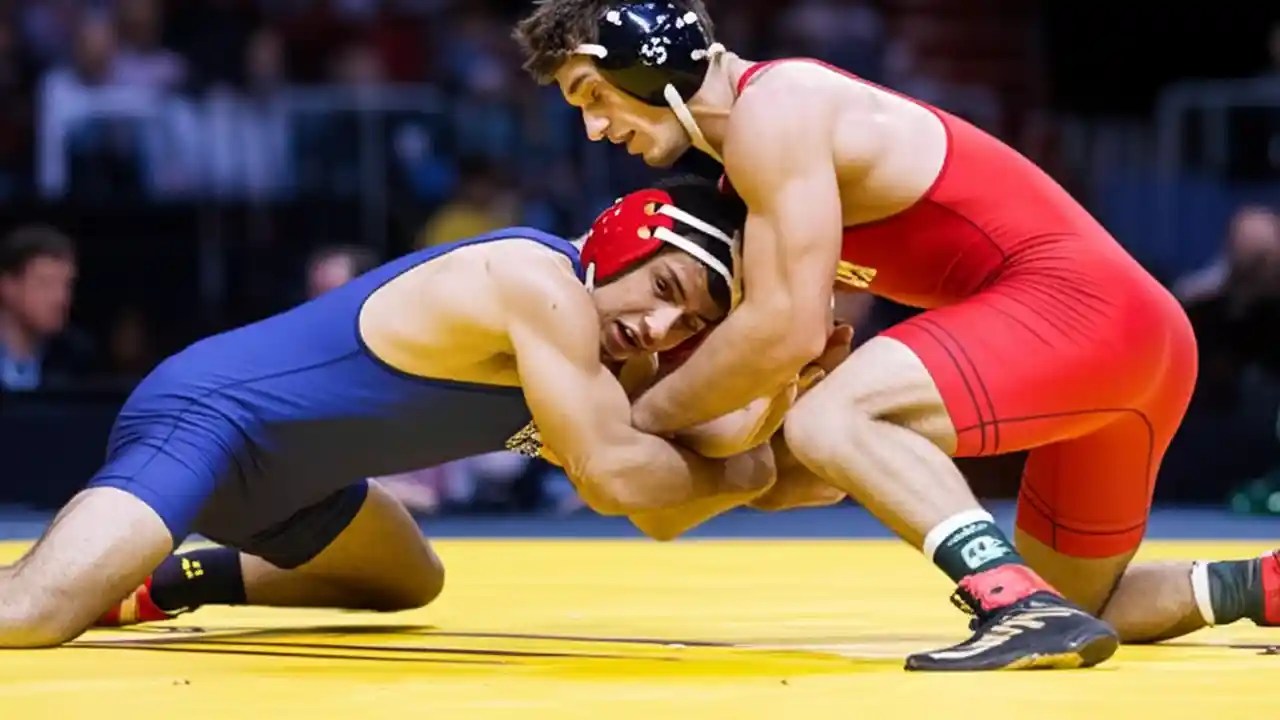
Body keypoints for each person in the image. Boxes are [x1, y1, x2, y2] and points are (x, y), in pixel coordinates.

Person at [515, 0, 1279, 670]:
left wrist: (623, 427)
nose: (593, 126)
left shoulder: (774, 111)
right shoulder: (757, 174)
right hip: (1131, 340)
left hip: (1081, 312)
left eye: (593, 93)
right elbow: (800, 401)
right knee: (1089, 604)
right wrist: (722, 451)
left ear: (652, 59)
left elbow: (784, 334)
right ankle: (1262, 585)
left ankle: (1010, 605)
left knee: (834, 419)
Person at [0, 176, 784, 646]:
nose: (659, 329)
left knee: (410, 580)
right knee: (34, 615)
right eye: (665, 293)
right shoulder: (534, 281)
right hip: (205, 425)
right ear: (621, 238)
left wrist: (780, 401)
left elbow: (666, 507)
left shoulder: (611, 356)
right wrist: (753, 466)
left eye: (689, 328)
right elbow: (620, 480)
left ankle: (155, 584)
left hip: (296, 492)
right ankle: (85, 572)